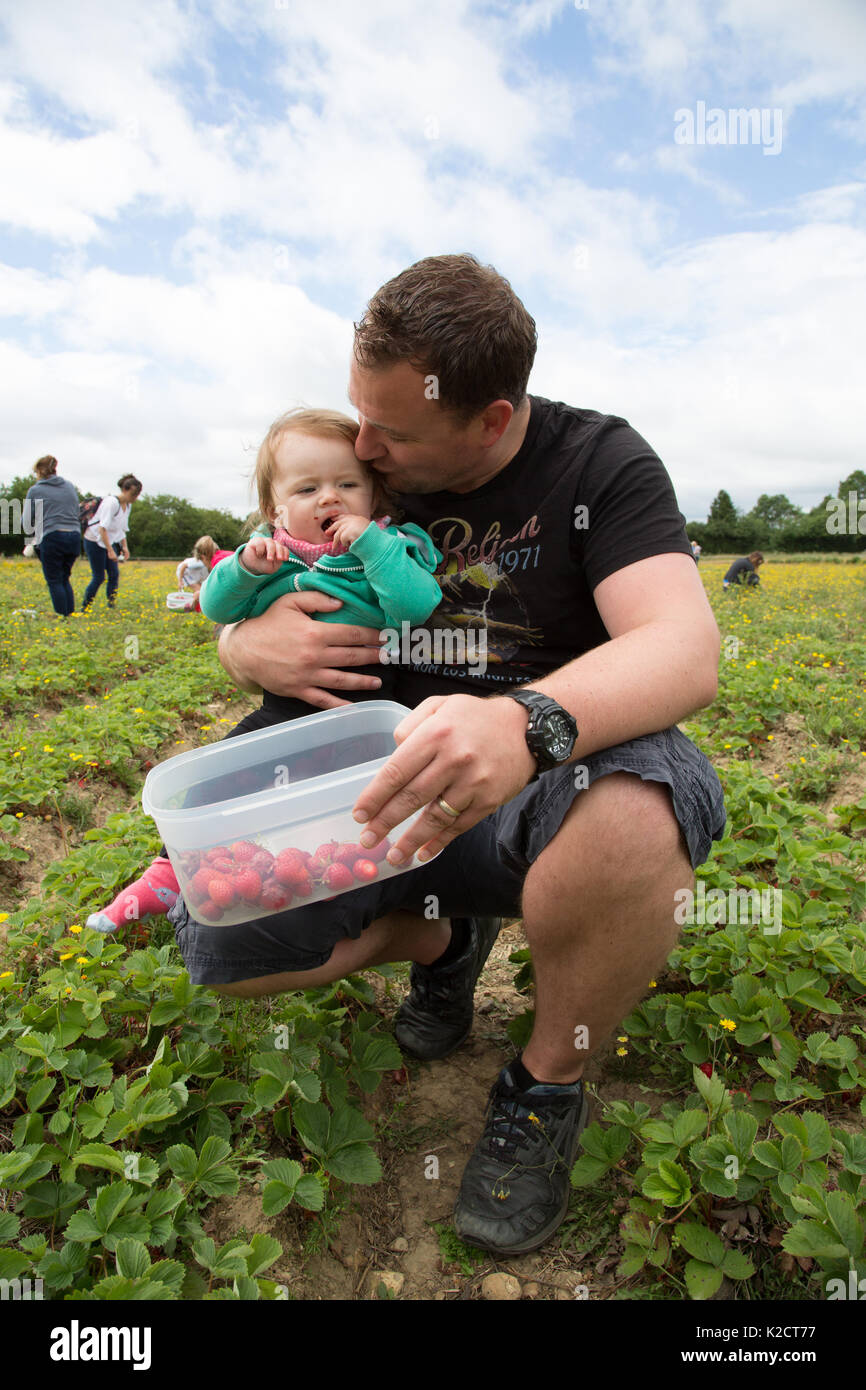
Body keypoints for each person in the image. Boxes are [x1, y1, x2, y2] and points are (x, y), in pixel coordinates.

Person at [170, 253, 727, 1258]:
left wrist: (524, 723)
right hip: (376, 778)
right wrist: (237, 642)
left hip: (541, 782)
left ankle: (544, 1082)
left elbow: (683, 648)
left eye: (392, 431)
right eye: (356, 414)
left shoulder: (598, 463)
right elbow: (254, 569)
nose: (363, 446)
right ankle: (440, 943)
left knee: (639, 813)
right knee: (218, 940)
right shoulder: (361, 462)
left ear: (491, 422)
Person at [84, 408, 442, 934]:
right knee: (215, 785)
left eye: (348, 483)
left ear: (374, 495)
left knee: (357, 815)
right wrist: (246, 566)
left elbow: (416, 605)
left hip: (368, 721)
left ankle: (369, 893)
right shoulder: (273, 557)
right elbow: (216, 607)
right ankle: (166, 876)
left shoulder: (388, 548)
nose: (329, 497)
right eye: (307, 489)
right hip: (284, 714)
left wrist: (371, 542)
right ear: (276, 506)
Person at [24, 456, 81, 616]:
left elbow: (26, 521)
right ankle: (69, 616)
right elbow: (76, 512)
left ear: (39, 472)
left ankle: (63, 618)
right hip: (74, 537)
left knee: (54, 580)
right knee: (64, 578)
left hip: (53, 537)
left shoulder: (35, 490)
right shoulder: (69, 486)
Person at [81, 475, 142, 610]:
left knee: (114, 574)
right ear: (125, 490)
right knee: (99, 577)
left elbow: (121, 529)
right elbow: (102, 529)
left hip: (109, 541)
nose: (135, 498)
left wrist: (124, 547)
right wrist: (110, 550)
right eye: (133, 494)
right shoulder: (112, 503)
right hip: (94, 541)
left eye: (137, 495)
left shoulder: (127, 506)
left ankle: (111, 605)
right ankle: (85, 607)